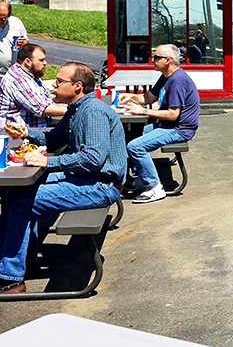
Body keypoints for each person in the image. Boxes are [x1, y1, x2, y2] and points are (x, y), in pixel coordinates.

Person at [0, 62, 127, 295]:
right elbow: (53, 141)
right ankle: (23, 262)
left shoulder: (93, 112)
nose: (53, 86)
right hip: (86, 179)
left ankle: (11, 279)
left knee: (19, 203)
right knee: (15, 193)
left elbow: (92, 159)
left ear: (77, 86)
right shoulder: (77, 109)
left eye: (59, 82)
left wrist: (48, 162)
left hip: (101, 186)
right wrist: (27, 133)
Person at [120, 44, 199, 204]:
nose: (152, 60)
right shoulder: (166, 76)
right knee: (132, 136)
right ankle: (143, 178)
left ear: (168, 61)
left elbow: (172, 115)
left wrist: (142, 112)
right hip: (168, 125)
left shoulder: (177, 82)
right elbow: (149, 98)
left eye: (156, 57)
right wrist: (130, 97)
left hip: (179, 129)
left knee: (135, 147)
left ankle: (154, 187)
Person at [0, 43, 67, 127]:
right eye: (41, 60)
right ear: (28, 62)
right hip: (16, 135)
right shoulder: (19, 80)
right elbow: (41, 109)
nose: (45, 63)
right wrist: (74, 110)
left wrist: (63, 97)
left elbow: (41, 97)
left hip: (30, 131)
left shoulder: (30, 74)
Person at [0, 2, 28, 78]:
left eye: (3, 19)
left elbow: (26, 42)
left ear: (9, 15)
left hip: (13, 74)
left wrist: (22, 43)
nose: (0, 22)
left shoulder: (16, 23)